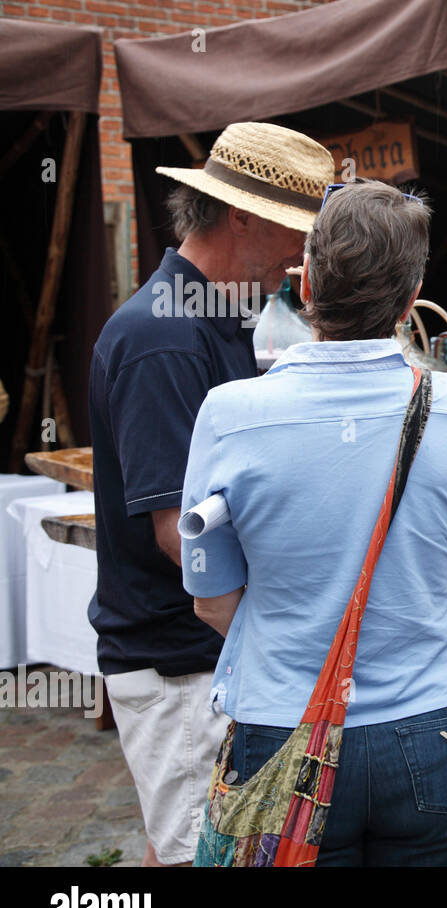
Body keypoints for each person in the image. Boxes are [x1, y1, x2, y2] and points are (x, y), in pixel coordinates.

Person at [179, 179, 447, 866]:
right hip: (434, 729)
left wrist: (298, 640)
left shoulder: (228, 413)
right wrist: (411, 639)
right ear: (408, 301)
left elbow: (211, 599)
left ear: (305, 284)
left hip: (280, 723)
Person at [88, 122, 335, 867]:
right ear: (244, 215)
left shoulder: (214, 316)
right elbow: (178, 533)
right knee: (208, 856)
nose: (303, 253)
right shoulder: (163, 335)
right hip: (180, 662)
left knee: (198, 853)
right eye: (298, 230)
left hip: (202, 654)